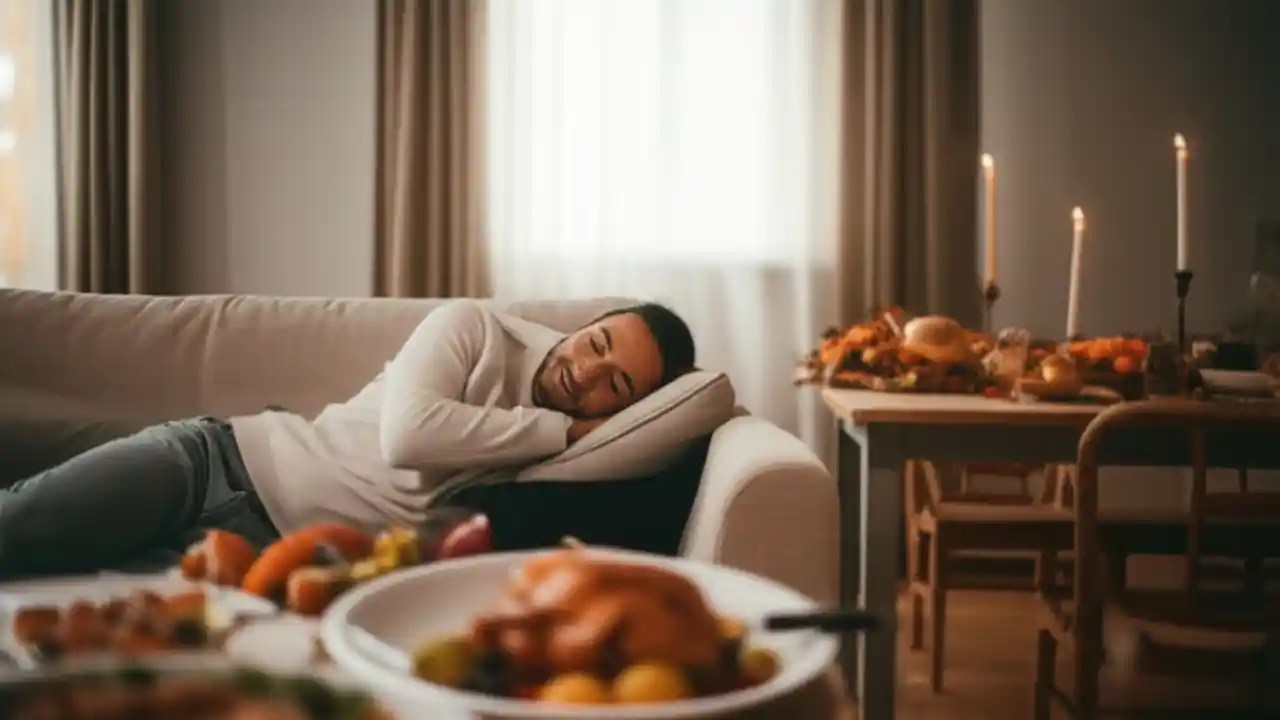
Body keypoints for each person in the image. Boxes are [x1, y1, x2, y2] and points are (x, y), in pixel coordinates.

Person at [0, 300, 697, 577]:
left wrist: (590, 436)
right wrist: (563, 427)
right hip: (212, 462)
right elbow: (408, 437)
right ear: (579, 327)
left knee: (65, 620)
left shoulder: (586, 454)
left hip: (270, 561)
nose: (586, 372)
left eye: (617, 385)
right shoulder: (473, 327)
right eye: (596, 343)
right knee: (16, 532)